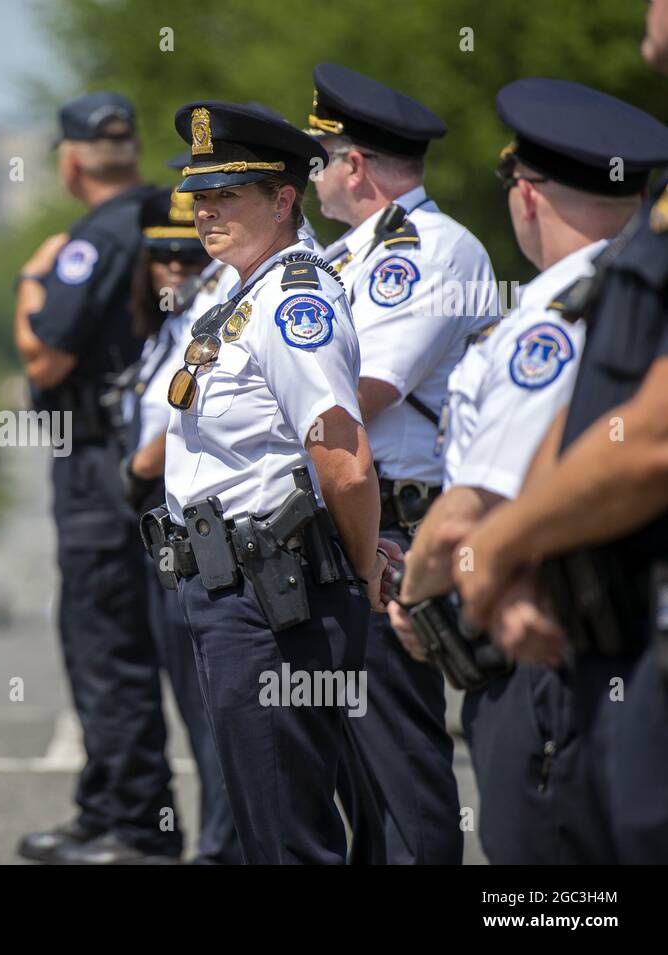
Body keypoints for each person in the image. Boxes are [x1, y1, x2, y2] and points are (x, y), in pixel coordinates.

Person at [389, 78, 668, 862]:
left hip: (542, 650)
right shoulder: (638, 295)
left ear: (528, 194)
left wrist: (416, 594)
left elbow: (476, 505)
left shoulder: (549, 323)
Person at [147, 100, 398, 863]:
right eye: (201, 194)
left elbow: (343, 458)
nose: (205, 209)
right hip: (233, 593)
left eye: (228, 194)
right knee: (268, 828)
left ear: (284, 198)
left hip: (276, 598)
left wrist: (358, 570)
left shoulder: (293, 300)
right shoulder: (241, 293)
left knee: (289, 837)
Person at [305, 63, 498, 864]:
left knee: (399, 761)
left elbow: (362, 391)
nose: (310, 176)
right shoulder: (353, 254)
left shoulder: (421, 251)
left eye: (319, 158)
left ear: (355, 165)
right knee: (358, 772)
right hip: (351, 514)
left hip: (398, 521)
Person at [13, 92, 181, 864]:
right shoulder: (161, 213)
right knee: (124, 639)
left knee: (103, 642)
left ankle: (135, 825)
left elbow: (45, 355)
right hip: (145, 453)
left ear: (72, 161)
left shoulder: (91, 238)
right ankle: (106, 807)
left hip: (97, 463)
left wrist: (31, 279)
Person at [120, 185, 243, 864]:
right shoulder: (171, 322)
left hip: (200, 526)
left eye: (183, 255)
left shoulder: (214, 308)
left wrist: (138, 466)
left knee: (215, 710)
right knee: (196, 715)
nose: (172, 268)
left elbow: (183, 418)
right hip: (166, 528)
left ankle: (222, 849)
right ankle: (220, 843)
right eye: (160, 257)